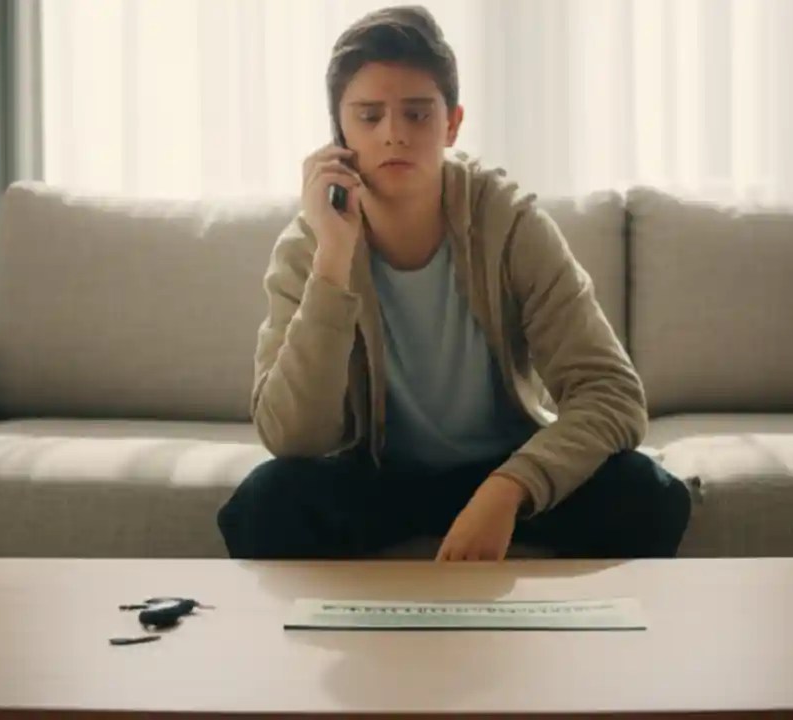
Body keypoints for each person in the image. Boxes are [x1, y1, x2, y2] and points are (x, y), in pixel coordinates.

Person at [217, 5, 691, 562]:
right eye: (369, 116)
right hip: (375, 479)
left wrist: (510, 489)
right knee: (264, 503)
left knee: (648, 494)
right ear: (339, 134)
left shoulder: (508, 222)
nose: (394, 134)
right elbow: (290, 438)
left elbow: (612, 396)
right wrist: (333, 261)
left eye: (417, 115)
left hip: (502, 464)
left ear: (452, 123)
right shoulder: (309, 245)